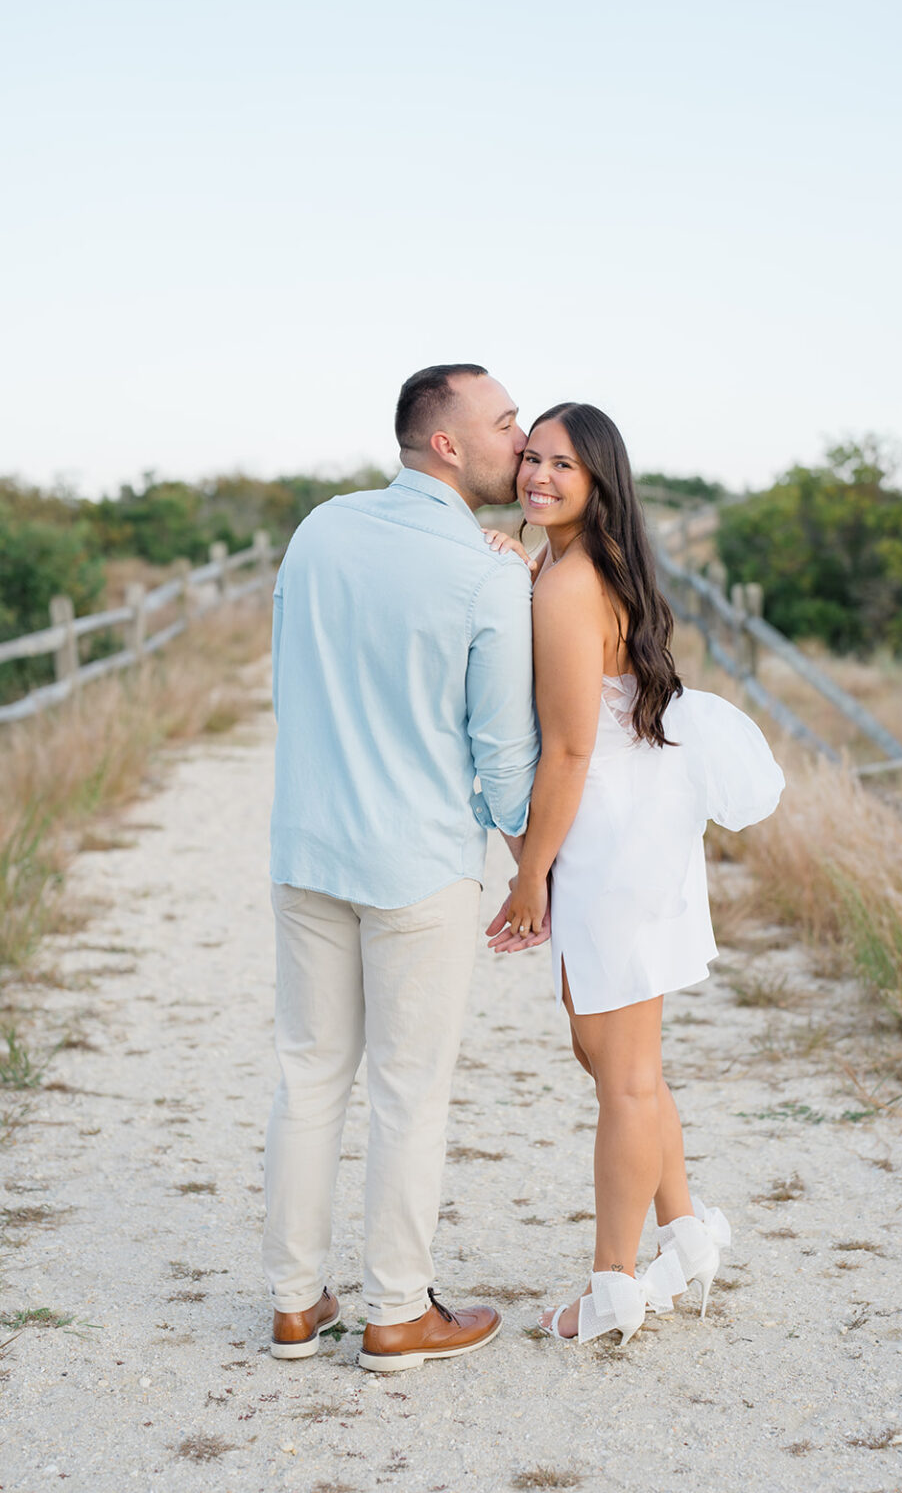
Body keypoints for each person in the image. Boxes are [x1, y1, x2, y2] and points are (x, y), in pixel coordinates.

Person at [485, 402, 784, 1345]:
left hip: (610, 834)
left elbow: (571, 748)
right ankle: (685, 1235)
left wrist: (529, 876)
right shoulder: (571, 566)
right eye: (531, 458)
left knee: (620, 1072)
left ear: (599, 481)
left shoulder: (572, 582)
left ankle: (613, 1286)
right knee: (615, 1059)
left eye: (562, 466)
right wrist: (519, 563)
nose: (538, 476)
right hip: (627, 819)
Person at [264, 363, 544, 1372]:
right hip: (419, 862)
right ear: (447, 444)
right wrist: (532, 865)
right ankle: (395, 1313)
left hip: (308, 847)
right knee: (409, 1092)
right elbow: (503, 753)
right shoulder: (486, 573)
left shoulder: (318, 529)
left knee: (309, 1075)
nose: (522, 439)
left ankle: (295, 1305)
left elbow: (286, 679)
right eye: (505, 423)